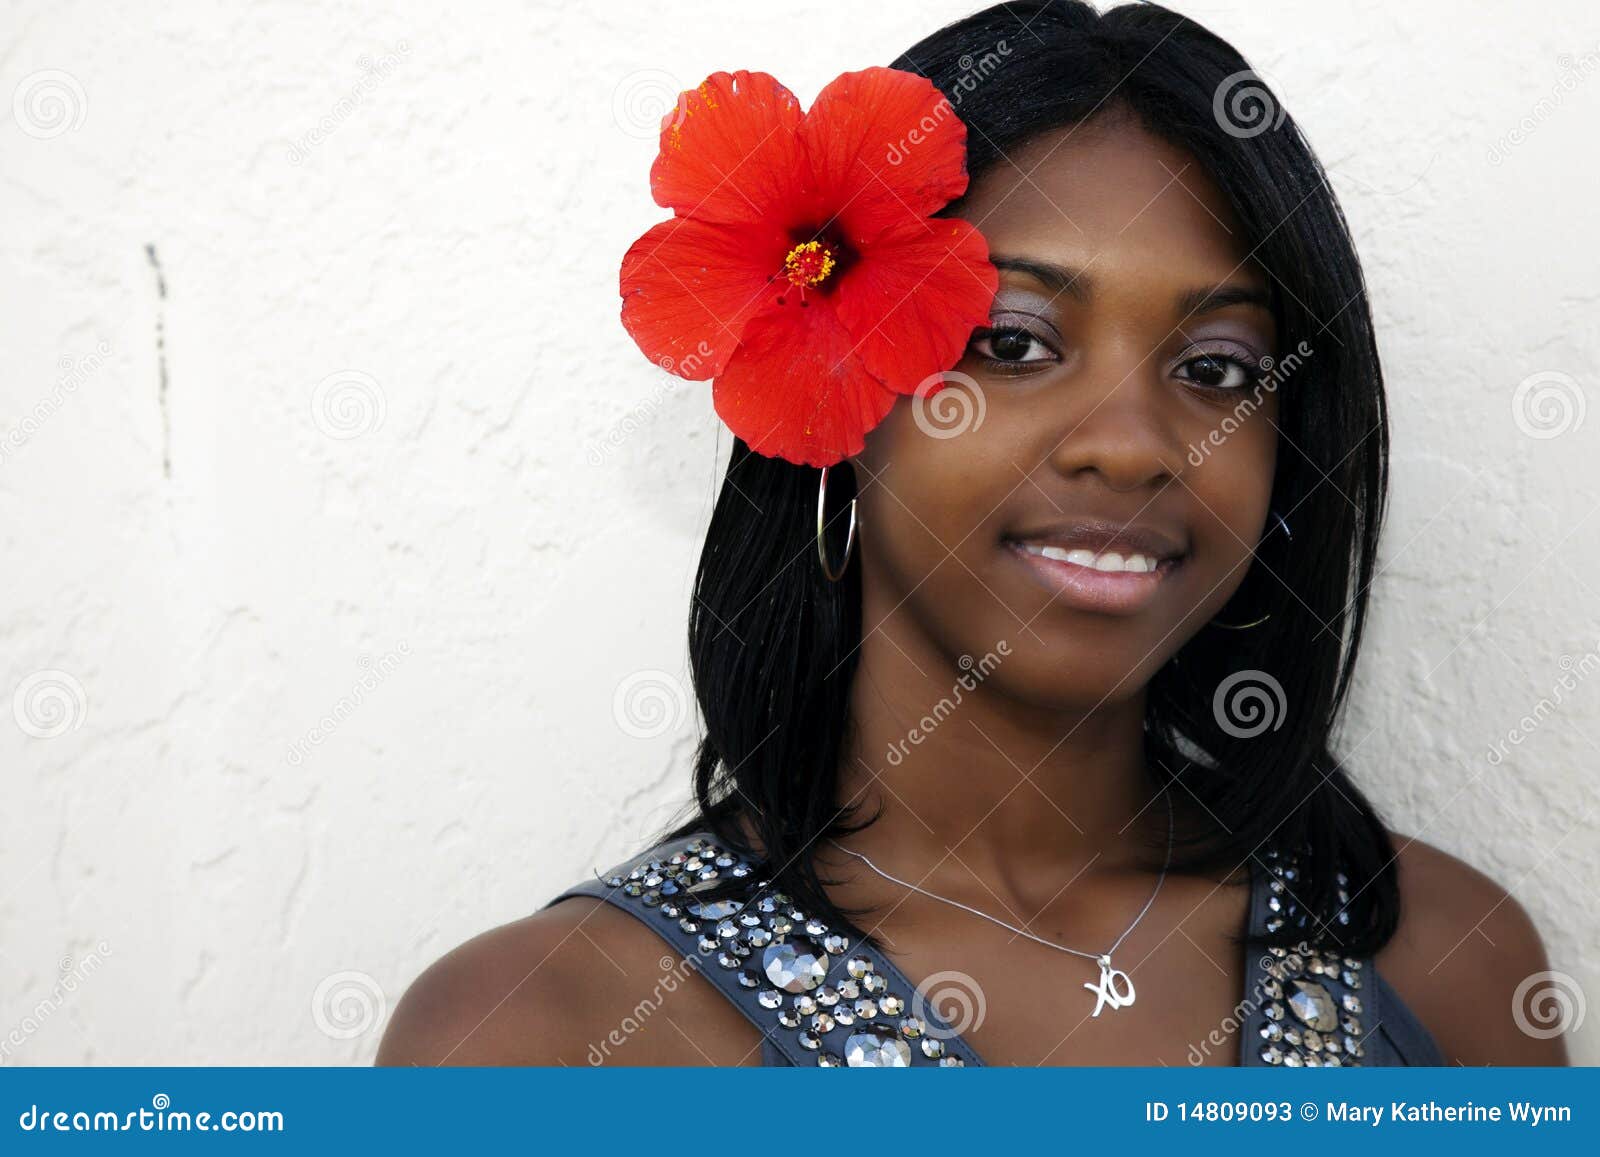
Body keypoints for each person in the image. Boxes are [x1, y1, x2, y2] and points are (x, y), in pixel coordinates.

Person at [377, 0, 1564, 1067]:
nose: (1134, 443)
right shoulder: (537, 1038)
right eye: (1011, 343)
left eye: (1214, 368)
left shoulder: (1450, 969)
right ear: (843, 404)